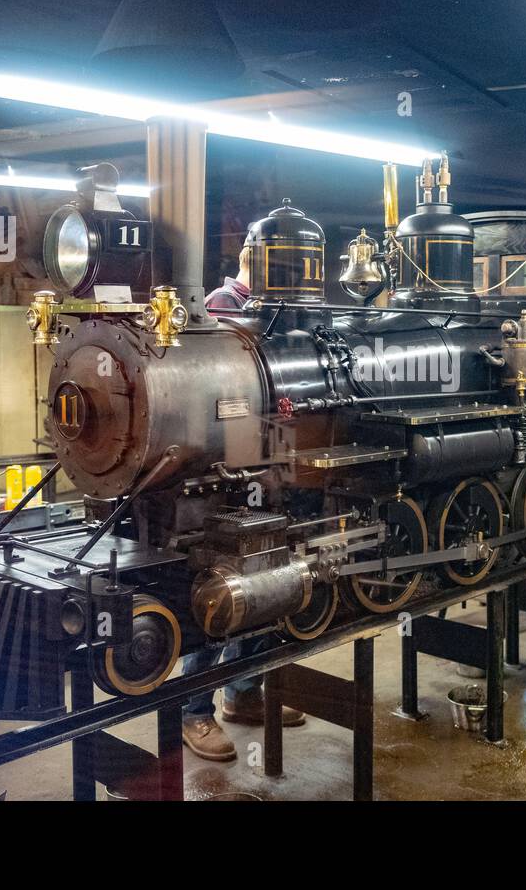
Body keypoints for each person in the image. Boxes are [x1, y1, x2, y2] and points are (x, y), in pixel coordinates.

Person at [180, 238, 305, 761]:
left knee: (266, 576)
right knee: (221, 585)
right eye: (288, 266)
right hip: (227, 462)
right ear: (261, 262)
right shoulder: (222, 307)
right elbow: (226, 398)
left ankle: (244, 691)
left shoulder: (273, 309)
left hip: (265, 457)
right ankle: (193, 710)